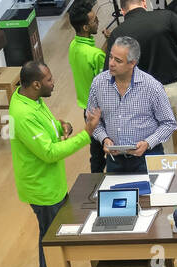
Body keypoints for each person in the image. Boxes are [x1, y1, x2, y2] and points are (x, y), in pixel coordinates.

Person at [10, 61, 100, 267]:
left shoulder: (32, 100)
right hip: (42, 188)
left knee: (50, 238)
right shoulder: (23, 114)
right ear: (36, 84)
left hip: (51, 183)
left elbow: (45, 128)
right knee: (51, 243)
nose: (54, 82)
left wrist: (60, 125)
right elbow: (48, 153)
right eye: (49, 80)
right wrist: (85, 134)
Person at [103, 0, 177, 156]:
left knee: (163, 154)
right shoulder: (166, 16)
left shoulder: (118, 34)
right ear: (144, 3)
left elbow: (111, 76)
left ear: (122, 11)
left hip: (146, 98)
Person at [87, 36, 177, 174]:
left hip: (148, 158)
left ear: (132, 63)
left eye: (118, 60)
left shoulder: (152, 87)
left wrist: (147, 143)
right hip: (114, 159)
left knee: (150, 196)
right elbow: (93, 121)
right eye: (110, 57)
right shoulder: (98, 84)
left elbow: (169, 123)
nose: (111, 63)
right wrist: (104, 138)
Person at [68, 0, 108, 174]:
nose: (97, 21)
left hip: (86, 107)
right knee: (108, 149)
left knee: (96, 154)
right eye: (94, 20)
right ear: (85, 27)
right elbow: (104, 83)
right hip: (101, 110)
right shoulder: (96, 55)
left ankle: (94, 189)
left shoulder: (73, 46)